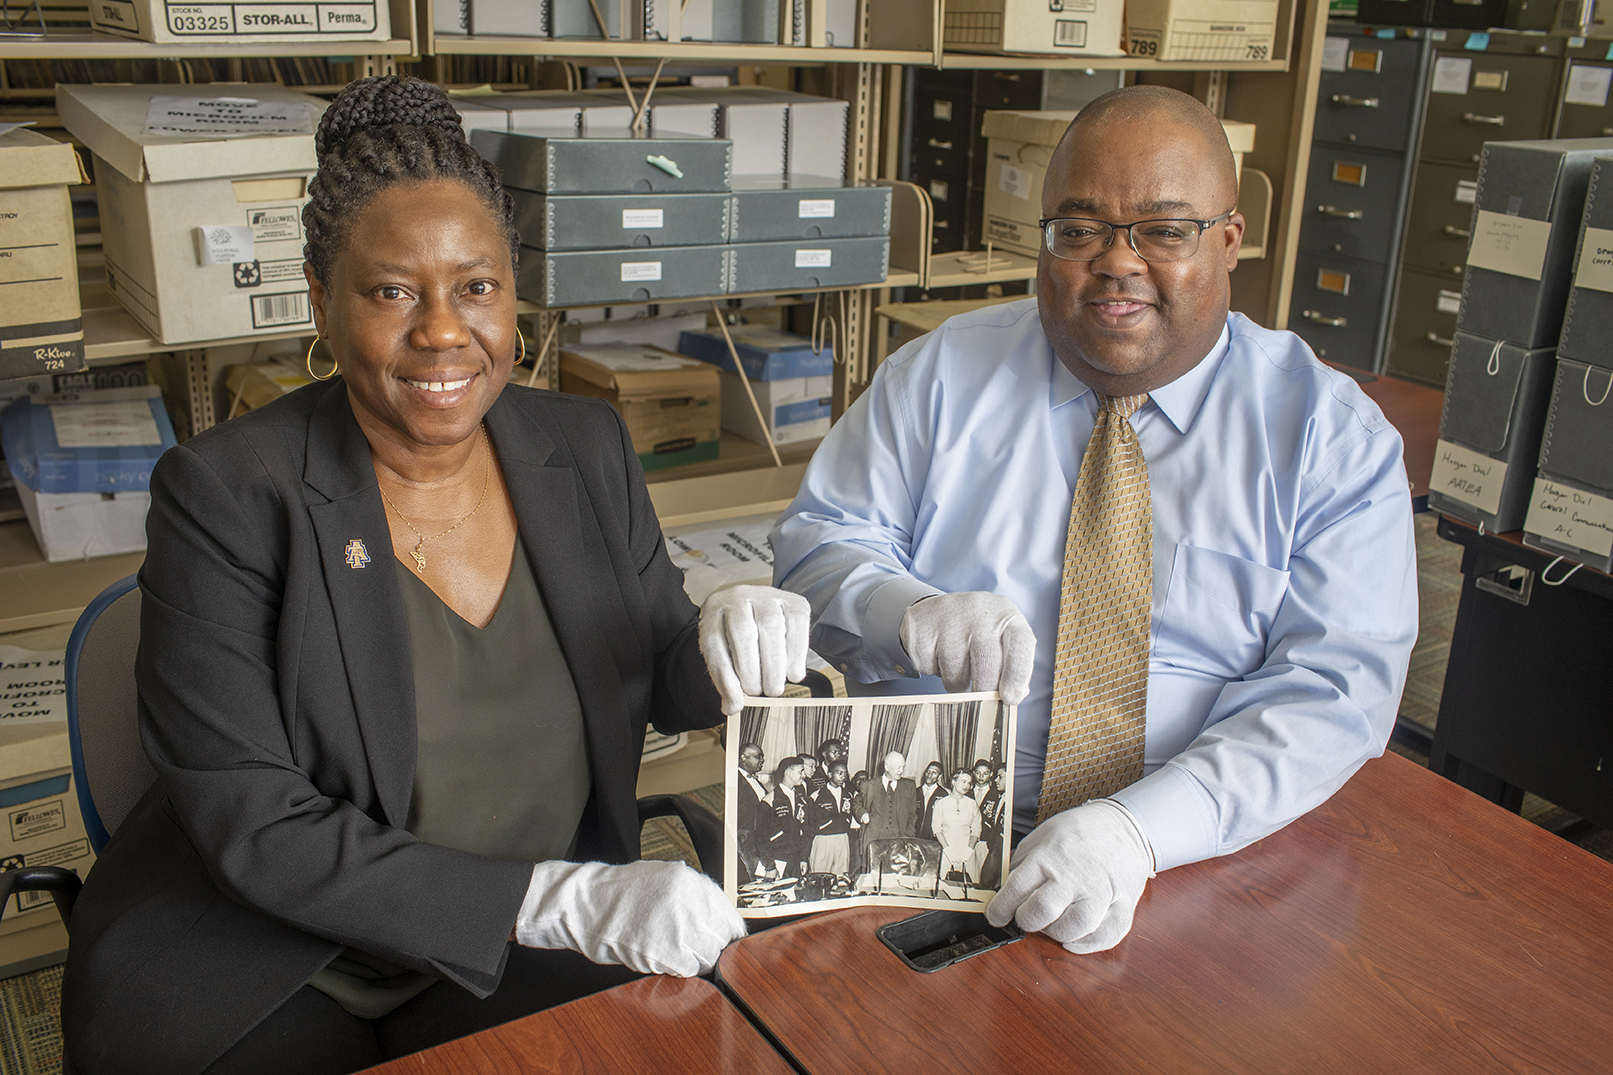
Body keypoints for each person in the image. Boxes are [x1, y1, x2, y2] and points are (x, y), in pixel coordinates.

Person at [61, 76, 758, 1075]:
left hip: (514, 947)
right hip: (265, 957)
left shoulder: (585, 448)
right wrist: (551, 899)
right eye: (393, 291)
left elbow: (663, 670)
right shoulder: (226, 492)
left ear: (512, 293)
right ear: (321, 299)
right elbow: (256, 825)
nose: (442, 331)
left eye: (475, 287)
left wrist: (728, 637)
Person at [770, 85, 1417, 954]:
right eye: (1079, 231)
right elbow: (817, 543)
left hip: (1194, 844)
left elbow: (1335, 689)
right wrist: (906, 608)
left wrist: (1134, 832)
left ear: (1228, 243)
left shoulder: (1325, 435)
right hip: (919, 825)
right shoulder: (939, 374)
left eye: (1163, 229)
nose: (1117, 262)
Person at [854, 751, 918, 865]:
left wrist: (908, 835)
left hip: (900, 840)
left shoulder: (910, 786)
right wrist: (862, 814)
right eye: (898, 768)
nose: (901, 771)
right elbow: (856, 803)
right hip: (873, 840)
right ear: (887, 767)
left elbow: (913, 814)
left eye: (903, 767)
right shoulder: (869, 785)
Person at [931, 770, 983, 884]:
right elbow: (936, 828)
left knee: (969, 887)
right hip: (947, 851)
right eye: (963, 782)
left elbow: (976, 829)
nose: (966, 786)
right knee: (944, 885)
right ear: (954, 782)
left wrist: (969, 850)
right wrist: (947, 850)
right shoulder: (941, 803)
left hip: (967, 850)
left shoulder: (972, 804)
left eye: (969, 783)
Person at [763, 757, 810, 878]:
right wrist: (770, 866)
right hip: (777, 860)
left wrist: (803, 858)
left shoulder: (801, 800)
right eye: (801, 771)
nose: (804, 775)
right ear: (789, 773)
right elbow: (761, 838)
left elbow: (805, 832)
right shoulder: (770, 800)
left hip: (796, 860)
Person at [807, 761, 854, 875]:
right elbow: (810, 822)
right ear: (829, 774)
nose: (842, 777)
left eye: (845, 774)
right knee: (820, 874)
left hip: (842, 838)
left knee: (841, 874)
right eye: (839, 773)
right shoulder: (816, 796)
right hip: (823, 839)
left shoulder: (848, 795)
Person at [735, 743, 769, 882]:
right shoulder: (736, 780)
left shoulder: (755, 780)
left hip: (763, 839)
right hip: (749, 842)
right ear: (744, 757)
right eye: (758, 757)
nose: (762, 761)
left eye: (763, 757)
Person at [978, 768, 1009, 889]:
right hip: (994, 848)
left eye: (1000, 776)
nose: (996, 780)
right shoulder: (1001, 797)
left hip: (1001, 852)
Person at [914, 761, 945, 840]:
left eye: (934, 773)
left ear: (939, 776)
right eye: (928, 771)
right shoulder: (915, 792)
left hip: (933, 838)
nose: (929, 775)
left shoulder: (943, 794)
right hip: (915, 836)